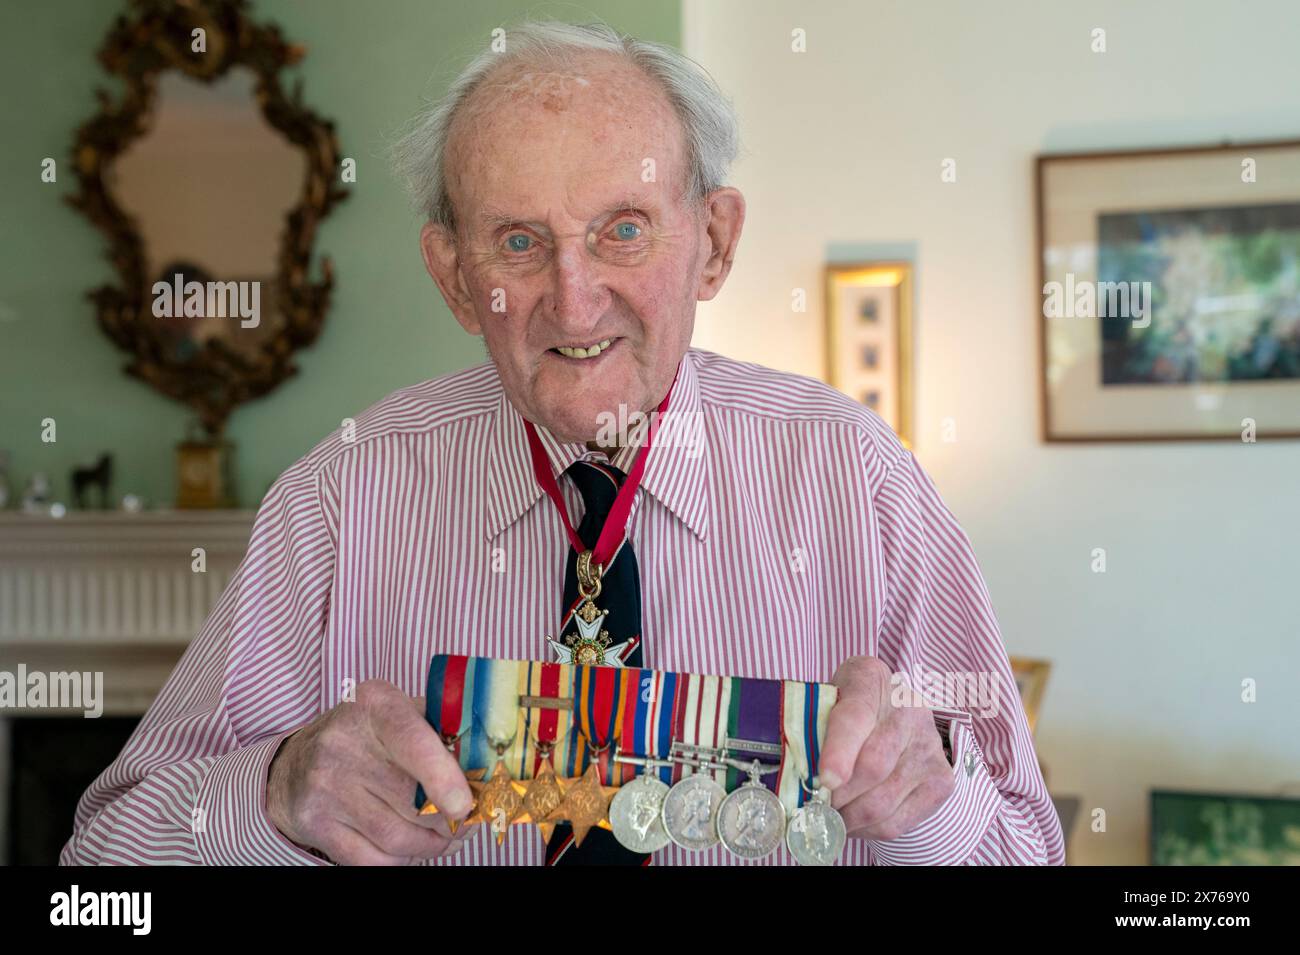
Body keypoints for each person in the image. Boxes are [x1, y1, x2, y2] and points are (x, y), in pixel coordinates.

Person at [62, 19, 1063, 866]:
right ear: (454, 276)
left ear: (712, 242)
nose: (574, 299)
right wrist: (276, 798)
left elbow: (1027, 846)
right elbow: (98, 863)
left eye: (622, 229)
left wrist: (934, 801)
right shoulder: (339, 497)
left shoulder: (858, 477)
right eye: (518, 241)